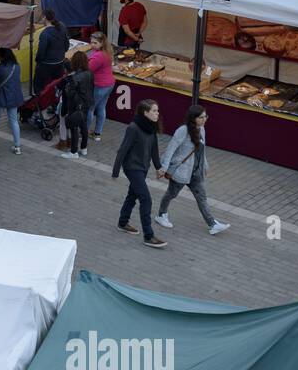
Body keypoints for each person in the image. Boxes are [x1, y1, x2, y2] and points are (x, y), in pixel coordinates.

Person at [156, 105, 230, 235]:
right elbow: (171, 149)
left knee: (201, 197)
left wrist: (205, 165)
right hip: (182, 171)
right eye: (201, 117)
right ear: (193, 118)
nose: (204, 119)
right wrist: (164, 167)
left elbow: (201, 151)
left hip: (195, 172)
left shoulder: (202, 130)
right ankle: (161, 215)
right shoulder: (182, 130)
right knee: (171, 194)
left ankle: (212, 224)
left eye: (205, 116)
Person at [112, 99, 166, 249]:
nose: (157, 114)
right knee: (146, 199)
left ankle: (122, 222)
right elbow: (123, 150)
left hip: (143, 168)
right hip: (132, 168)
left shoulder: (151, 127)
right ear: (145, 112)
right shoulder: (133, 128)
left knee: (133, 195)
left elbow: (154, 149)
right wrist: (115, 172)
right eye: (154, 111)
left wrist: (158, 167)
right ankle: (148, 236)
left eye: (157, 110)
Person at [0, 48, 24, 155]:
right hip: (14, 97)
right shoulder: (17, 66)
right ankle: (17, 146)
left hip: (1, 97)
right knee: (13, 121)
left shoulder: (0, 68)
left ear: (2, 57)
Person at [60, 50, 94, 157]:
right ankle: (84, 148)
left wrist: (67, 86)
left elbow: (70, 94)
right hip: (86, 103)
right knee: (83, 126)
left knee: (74, 127)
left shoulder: (75, 77)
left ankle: (74, 152)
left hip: (75, 105)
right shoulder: (89, 73)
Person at [86, 31, 116, 141]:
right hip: (109, 84)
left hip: (100, 85)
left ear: (101, 43)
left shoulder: (98, 56)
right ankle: (97, 133)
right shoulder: (107, 51)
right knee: (101, 107)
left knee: (90, 108)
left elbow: (88, 69)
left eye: (95, 43)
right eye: (91, 42)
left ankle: (85, 131)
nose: (92, 45)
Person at [32, 8, 67, 95]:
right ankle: (55, 101)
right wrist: (62, 53)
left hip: (47, 64)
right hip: (60, 61)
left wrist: (38, 61)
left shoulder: (45, 34)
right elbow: (66, 42)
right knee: (57, 84)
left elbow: (41, 51)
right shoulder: (62, 26)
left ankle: (40, 102)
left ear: (44, 18)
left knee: (40, 85)